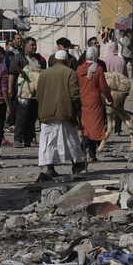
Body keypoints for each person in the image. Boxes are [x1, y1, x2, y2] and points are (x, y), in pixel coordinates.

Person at [37, 49, 85, 180]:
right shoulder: (70, 73)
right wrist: (78, 109)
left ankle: (50, 168)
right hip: (64, 111)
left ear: (54, 60)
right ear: (67, 61)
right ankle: (77, 164)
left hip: (46, 112)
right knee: (70, 139)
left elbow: (39, 94)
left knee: (48, 141)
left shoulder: (43, 74)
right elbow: (74, 94)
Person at [76, 47, 112, 163]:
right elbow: (104, 87)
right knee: (93, 129)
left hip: (83, 102)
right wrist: (109, 98)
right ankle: (80, 151)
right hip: (95, 103)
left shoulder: (79, 69)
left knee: (88, 127)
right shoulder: (98, 69)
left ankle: (92, 155)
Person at [8, 37, 45, 147]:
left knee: (32, 117)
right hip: (23, 94)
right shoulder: (18, 58)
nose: (34, 47)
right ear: (25, 46)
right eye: (32, 45)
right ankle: (18, 139)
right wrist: (10, 88)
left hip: (36, 94)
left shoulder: (39, 59)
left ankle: (29, 139)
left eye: (35, 45)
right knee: (22, 116)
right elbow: (12, 74)